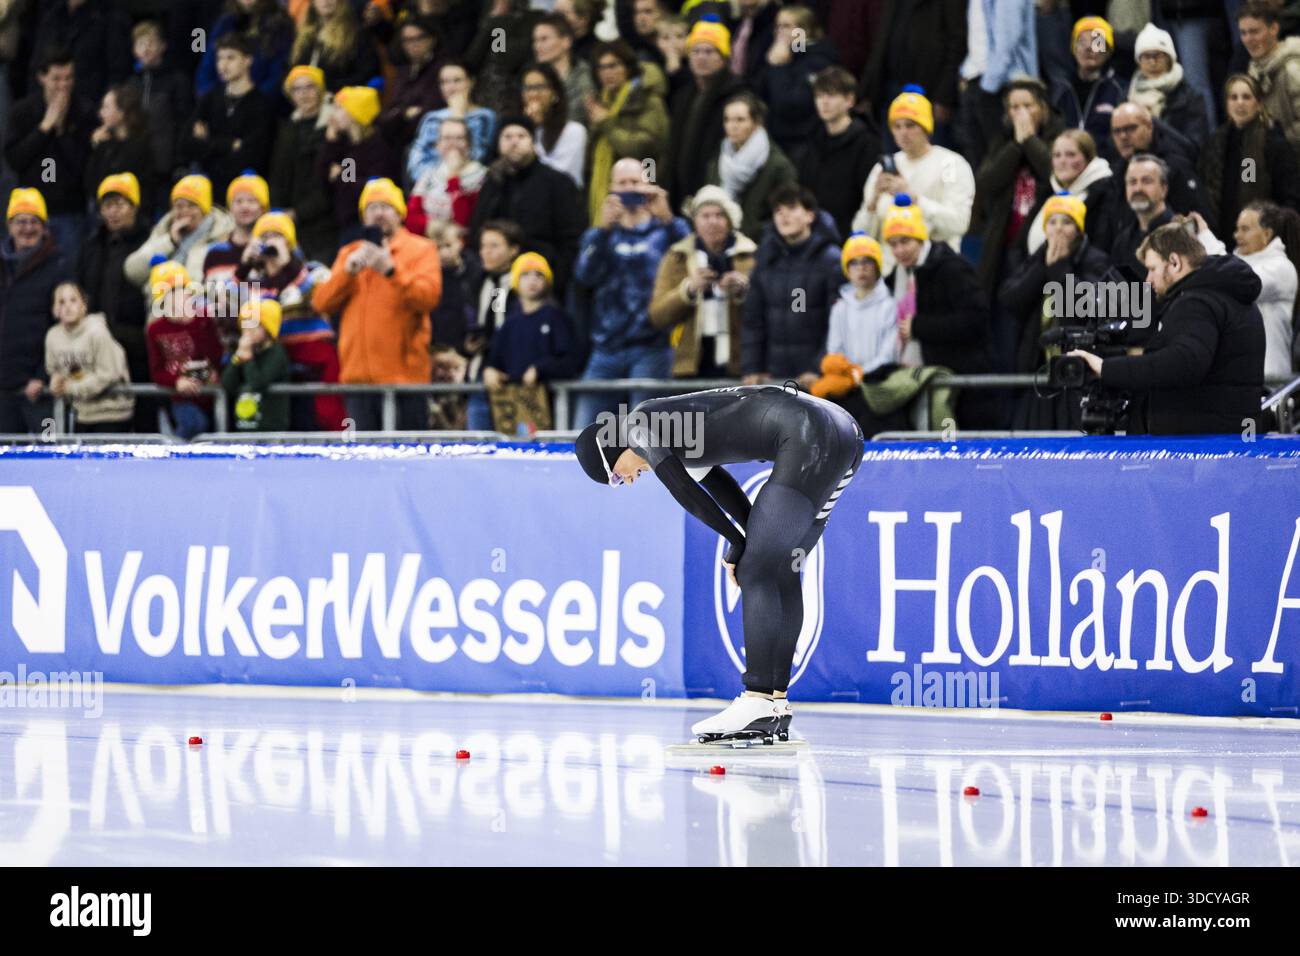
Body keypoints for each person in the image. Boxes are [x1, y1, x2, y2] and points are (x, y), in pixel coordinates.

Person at [572, 382, 864, 743]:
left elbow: (684, 491)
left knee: (757, 569)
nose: (627, 481)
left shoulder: (637, 424)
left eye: (616, 475)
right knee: (780, 568)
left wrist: (740, 544)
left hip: (808, 435)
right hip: (844, 431)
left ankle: (756, 699)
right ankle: (775, 703)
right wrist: (739, 543)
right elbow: (721, 488)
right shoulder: (673, 426)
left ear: (611, 448)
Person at [1069, 220, 1266, 434]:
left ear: (1174, 262)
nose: (1148, 280)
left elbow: (1184, 362)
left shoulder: (1197, 302)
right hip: (1226, 441)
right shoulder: (1230, 297)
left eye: (1152, 269)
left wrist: (1105, 368)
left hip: (1198, 450)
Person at [311, 177, 442, 432]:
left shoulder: (421, 249)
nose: (379, 213)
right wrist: (346, 273)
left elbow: (428, 298)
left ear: (400, 213)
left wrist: (392, 271)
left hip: (405, 380)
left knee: (407, 459)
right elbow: (322, 303)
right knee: (363, 464)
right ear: (363, 217)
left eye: (386, 207)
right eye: (372, 208)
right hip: (358, 381)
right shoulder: (349, 253)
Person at [572, 158, 691, 426]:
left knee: (645, 431)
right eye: (623, 183)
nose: (629, 189)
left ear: (648, 185)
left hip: (652, 345)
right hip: (606, 345)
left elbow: (692, 259)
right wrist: (603, 230)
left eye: (635, 182)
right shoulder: (599, 234)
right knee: (584, 428)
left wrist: (669, 218)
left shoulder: (667, 229)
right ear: (612, 188)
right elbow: (584, 276)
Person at [999, 193, 1122, 429]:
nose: (1058, 229)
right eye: (1052, 222)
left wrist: (1059, 271)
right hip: (1038, 371)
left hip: (1080, 375)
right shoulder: (1037, 259)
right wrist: (1042, 271)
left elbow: (1093, 307)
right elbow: (1010, 300)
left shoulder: (1095, 260)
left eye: (1066, 222)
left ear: (1078, 229)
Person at [882, 195, 999, 428]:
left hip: (963, 389)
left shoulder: (953, 269)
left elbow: (976, 320)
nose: (899, 250)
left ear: (920, 238)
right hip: (919, 382)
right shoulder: (898, 276)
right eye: (893, 244)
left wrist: (919, 327)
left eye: (905, 241)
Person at [234, 210, 346, 431]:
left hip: (315, 362)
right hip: (272, 363)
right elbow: (225, 307)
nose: (271, 242)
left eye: (278, 236)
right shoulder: (255, 281)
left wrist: (289, 264)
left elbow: (317, 299)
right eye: (264, 236)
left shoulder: (313, 271)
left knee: (324, 420)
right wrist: (244, 266)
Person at [852, 86, 976, 274]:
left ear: (926, 128)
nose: (903, 133)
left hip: (937, 268)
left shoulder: (951, 164)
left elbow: (958, 224)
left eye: (910, 125)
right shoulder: (882, 169)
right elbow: (862, 237)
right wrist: (873, 202)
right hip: (888, 272)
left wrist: (913, 198)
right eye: (897, 126)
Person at [741, 184, 843, 388]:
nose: (783, 215)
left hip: (818, 380)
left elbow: (838, 322)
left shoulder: (830, 260)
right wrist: (753, 368)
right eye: (778, 210)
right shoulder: (766, 260)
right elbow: (753, 320)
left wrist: (819, 367)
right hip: (773, 378)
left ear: (810, 216)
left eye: (792, 208)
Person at [648, 185, 755, 379]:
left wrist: (744, 291)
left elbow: (770, 310)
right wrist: (688, 290)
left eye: (719, 215)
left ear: (730, 221)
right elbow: (657, 316)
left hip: (741, 366)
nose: (712, 222)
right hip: (690, 365)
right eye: (705, 216)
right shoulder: (677, 257)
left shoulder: (751, 255)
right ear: (695, 220)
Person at [971, 77, 1065, 298]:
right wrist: (1016, 145)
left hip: (1042, 246)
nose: (1020, 113)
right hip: (1003, 244)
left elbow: (1057, 175)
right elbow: (985, 182)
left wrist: (1030, 141)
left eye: (1027, 106)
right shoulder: (1002, 141)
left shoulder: (1060, 139)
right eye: (1014, 107)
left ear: (1043, 108)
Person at [469, 116, 586, 292]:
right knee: (495, 317)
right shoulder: (492, 183)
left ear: (533, 142)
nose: (514, 142)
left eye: (521, 136)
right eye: (507, 137)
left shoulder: (557, 182)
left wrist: (556, 280)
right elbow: (477, 231)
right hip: (498, 284)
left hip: (541, 282)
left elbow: (572, 238)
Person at [5, 45, 93, 272]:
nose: (63, 86)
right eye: (56, 79)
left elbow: (82, 165)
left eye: (68, 78)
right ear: (41, 78)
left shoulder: (83, 111)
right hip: (30, 214)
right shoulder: (22, 112)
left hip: (69, 211)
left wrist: (62, 131)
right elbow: (15, 159)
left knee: (66, 275)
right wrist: (44, 129)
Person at [78, 173, 152, 432]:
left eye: (120, 204)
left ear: (134, 207)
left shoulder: (150, 242)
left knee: (145, 431)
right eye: (107, 206)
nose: (113, 212)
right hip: (99, 356)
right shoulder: (91, 245)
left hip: (138, 352)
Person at [1192, 202, 1299, 380]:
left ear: (1267, 233)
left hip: (1270, 379)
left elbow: (1240, 281)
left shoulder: (1281, 268)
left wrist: (1205, 235)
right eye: (1237, 229)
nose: (1237, 235)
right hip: (1239, 376)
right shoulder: (1237, 264)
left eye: (1245, 229)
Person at [483, 252, 582, 422]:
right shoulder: (509, 323)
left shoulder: (557, 318)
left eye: (539, 275)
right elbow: (494, 358)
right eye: (525, 275)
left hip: (553, 406)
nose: (532, 280)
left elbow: (570, 360)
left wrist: (539, 369)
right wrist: (490, 370)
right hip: (514, 408)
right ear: (516, 281)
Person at [1200, 74, 1300, 238]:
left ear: (1259, 104)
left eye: (1246, 97)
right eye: (1234, 97)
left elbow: (1290, 195)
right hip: (1222, 234)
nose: (1240, 103)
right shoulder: (1215, 141)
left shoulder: (1272, 142)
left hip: (1263, 236)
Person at [663, 15, 746, 206]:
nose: (701, 57)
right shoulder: (683, 96)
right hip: (681, 195)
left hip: (717, 195)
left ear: (724, 58)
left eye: (709, 51)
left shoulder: (736, 96)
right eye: (696, 51)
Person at [584, 39, 670, 224]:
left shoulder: (648, 100)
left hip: (641, 199)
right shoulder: (603, 102)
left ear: (628, 67)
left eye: (613, 66)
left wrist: (606, 123)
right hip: (607, 195)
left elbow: (645, 148)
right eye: (602, 68)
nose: (607, 73)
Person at [0, 188, 64, 434]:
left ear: (44, 227)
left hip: (37, 390)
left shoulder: (58, 265)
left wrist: (42, 375)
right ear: (9, 225)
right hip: (3, 388)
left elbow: (61, 326)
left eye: (34, 221)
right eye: (20, 221)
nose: (27, 228)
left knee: (47, 461)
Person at [181, 33, 275, 199]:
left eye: (230, 58)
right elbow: (186, 144)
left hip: (243, 194)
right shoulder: (210, 98)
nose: (222, 65)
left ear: (248, 60)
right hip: (207, 189)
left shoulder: (261, 105)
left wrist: (207, 143)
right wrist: (229, 144)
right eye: (219, 59)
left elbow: (253, 157)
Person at [797, 66, 882, 242]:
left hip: (851, 236)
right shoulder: (812, 141)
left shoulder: (867, 144)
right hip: (813, 235)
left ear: (849, 100)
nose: (824, 102)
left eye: (831, 95)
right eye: (819, 96)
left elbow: (867, 199)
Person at [955, 0, 1039, 170]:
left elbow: (1007, 40)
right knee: (977, 162)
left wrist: (987, 88)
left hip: (1003, 85)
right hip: (977, 79)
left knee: (1001, 163)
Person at [145, 258, 223, 440]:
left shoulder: (203, 319)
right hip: (182, 399)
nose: (179, 296)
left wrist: (214, 372)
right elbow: (157, 371)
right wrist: (176, 382)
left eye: (182, 290)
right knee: (194, 424)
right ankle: (175, 461)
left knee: (215, 436)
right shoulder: (155, 329)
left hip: (210, 394)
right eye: (172, 292)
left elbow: (216, 353)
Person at [44, 281, 134, 433]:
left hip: (112, 413)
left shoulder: (98, 333)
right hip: (82, 414)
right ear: (54, 309)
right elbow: (54, 369)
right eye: (61, 301)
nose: (67, 306)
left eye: (73, 300)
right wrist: (55, 380)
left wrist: (71, 388)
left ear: (84, 306)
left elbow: (108, 375)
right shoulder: (53, 336)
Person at [269, 65, 337, 263]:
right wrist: (279, 209)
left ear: (321, 91)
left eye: (310, 87)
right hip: (290, 222)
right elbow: (277, 174)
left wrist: (299, 213)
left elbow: (335, 181)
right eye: (297, 89)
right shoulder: (287, 129)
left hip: (324, 223)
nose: (304, 94)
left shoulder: (334, 128)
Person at [124, 175, 235, 296]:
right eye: (179, 206)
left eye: (192, 206)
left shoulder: (221, 235)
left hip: (197, 310)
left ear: (204, 210)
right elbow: (133, 271)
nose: (184, 211)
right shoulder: (163, 230)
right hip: (159, 310)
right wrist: (170, 241)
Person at [705, 93, 796, 239]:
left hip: (761, 244)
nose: (732, 126)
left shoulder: (778, 165)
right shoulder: (718, 161)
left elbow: (787, 213)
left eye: (740, 120)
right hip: (723, 241)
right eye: (727, 120)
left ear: (756, 123)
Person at [752, 4, 837, 161]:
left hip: (802, 144)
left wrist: (778, 67)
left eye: (786, 26)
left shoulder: (819, 61)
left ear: (804, 31)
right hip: (774, 140)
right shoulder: (784, 54)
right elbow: (758, 93)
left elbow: (791, 105)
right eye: (777, 26)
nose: (779, 31)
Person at [319, 83, 400, 246]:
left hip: (365, 226)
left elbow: (369, 186)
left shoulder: (376, 148)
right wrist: (330, 141)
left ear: (355, 114)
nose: (333, 115)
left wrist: (343, 175)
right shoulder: (345, 145)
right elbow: (323, 176)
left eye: (339, 109)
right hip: (345, 224)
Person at [125, 20, 193, 210]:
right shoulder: (131, 84)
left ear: (162, 46)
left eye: (151, 43)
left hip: (166, 168)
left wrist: (180, 161)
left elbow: (183, 123)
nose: (146, 49)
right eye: (140, 43)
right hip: (137, 168)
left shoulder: (177, 80)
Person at [1024, 129, 1115, 256]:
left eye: (1071, 155)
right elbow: (1020, 246)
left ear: (1088, 159)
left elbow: (1094, 259)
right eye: (1057, 155)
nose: (1062, 161)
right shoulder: (1050, 192)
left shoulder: (1105, 194)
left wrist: (1060, 270)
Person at [1106, 102, 1202, 217]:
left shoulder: (1176, 167)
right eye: (1117, 131)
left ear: (1149, 126)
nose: (1123, 137)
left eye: (1130, 128)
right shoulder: (1116, 173)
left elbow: (1198, 220)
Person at [406, 62, 498, 182]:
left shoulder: (485, 117)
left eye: (457, 80)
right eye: (444, 82)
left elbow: (480, 157)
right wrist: (438, 180)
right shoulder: (431, 118)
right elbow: (415, 163)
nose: (450, 87)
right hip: (432, 186)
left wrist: (458, 116)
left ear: (471, 82)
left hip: (472, 183)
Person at [1048, 15, 1125, 153]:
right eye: (1082, 42)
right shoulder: (1060, 90)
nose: (1089, 47)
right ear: (1074, 49)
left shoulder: (1119, 89)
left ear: (1108, 51)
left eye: (1097, 42)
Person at [1127, 23, 1210, 148]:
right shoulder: (1126, 95)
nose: (1152, 62)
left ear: (1170, 59)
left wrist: (1153, 122)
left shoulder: (1190, 97)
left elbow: (1195, 145)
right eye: (1147, 56)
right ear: (1139, 61)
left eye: (1158, 56)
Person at [194, 0, 295, 102]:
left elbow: (277, 75)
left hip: (261, 106)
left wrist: (251, 103)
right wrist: (211, 101)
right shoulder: (225, 22)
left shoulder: (280, 24)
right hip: (221, 102)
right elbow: (206, 69)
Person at [376, 14, 446, 149]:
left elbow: (427, 114)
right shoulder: (403, 71)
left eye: (419, 38)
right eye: (407, 40)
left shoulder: (441, 69)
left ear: (432, 39)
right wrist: (404, 113)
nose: (413, 44)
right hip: (397, 140)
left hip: (427, 140)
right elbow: (385, 116)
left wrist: (398, 114)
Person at [407, 117, 487, 235]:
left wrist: (453, 177)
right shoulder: (429, 174)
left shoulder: (482, 176)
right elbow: (411, 219)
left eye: (459, 138)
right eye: (447, 138)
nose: (452, 144)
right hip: (427, 243)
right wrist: (431, 225)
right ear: (438, 145)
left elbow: (464, 221)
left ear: (469, 144)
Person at [222, 297, 291, 432]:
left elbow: (258, 383)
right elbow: (227, 383)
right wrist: (237, 359)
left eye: (254, 324)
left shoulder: (276, 353)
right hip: (244, 429)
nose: (248, 330)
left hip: (270, 431)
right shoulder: (245, 352)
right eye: (245, 324)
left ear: (267, 327)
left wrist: (247, 358)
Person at [1239, 0, 1300, 149]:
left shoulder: (1292, 70)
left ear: (1274, 29)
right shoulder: (1253, 70)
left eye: (1254, 32)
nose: (1248, 40)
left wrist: (1276, 144)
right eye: (1243, 33)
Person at [1109, 154, 1177, 282]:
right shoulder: (1122, 241)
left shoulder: (1180, 235)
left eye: (1146, 181)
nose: (1138, 188)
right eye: (1132, 182)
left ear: (1164, 189)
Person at [521, 61, 588, 188]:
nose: (533, 94)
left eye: (540, 87)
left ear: (555, 93)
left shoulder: (574, 131)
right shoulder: (519, 131)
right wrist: (528, 127)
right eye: (528, 88)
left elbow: (560, 178)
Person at [289, 0, 381, 92]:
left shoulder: (355, 34)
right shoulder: (304, 35)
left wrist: (329, 87)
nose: (326, 1)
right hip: (304, 101)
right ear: (312, 2)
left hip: (341, 100)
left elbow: (367, 73)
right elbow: (292, 69)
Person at [532, 11, 596, 125]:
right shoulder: (533, 76)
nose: (537, 46)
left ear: (566, 42)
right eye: (535, 40)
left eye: (544, 39)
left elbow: (577, 115)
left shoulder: (583, 75)